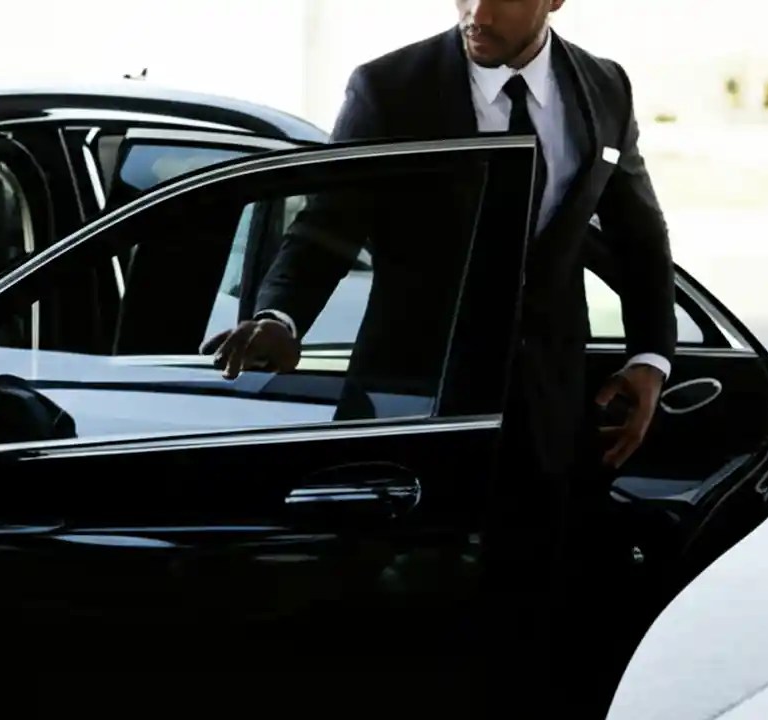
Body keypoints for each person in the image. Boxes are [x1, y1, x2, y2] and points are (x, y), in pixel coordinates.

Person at [204, 0, 676, 709]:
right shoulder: (390, 87)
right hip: (416, 404)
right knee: (400, 623)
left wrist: (649, 358)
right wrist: (280, 315)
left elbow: (638, 233)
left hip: (547, 412)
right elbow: (329, 224)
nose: (476, 11)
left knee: (534, 624)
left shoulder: (604, 86)